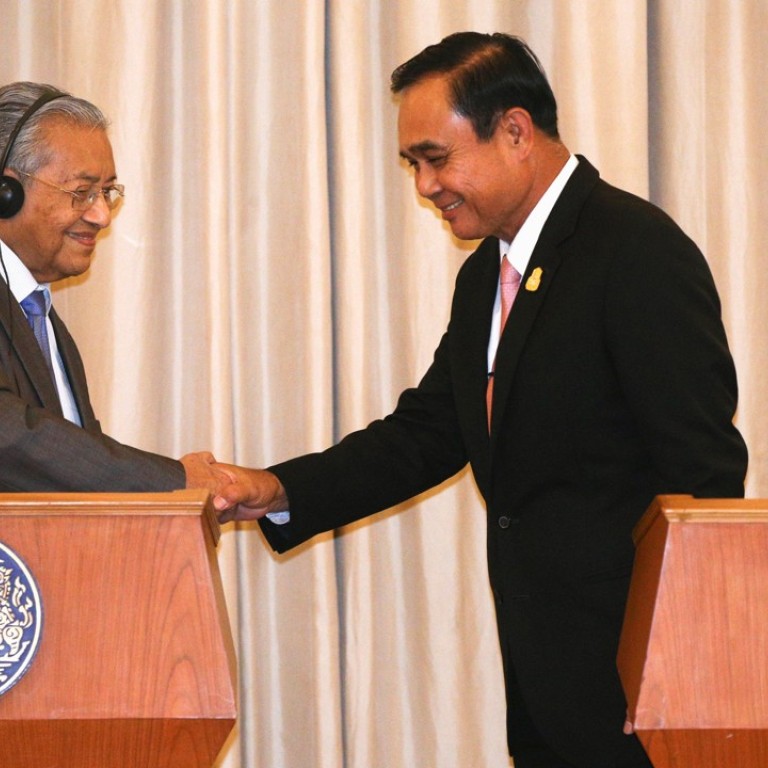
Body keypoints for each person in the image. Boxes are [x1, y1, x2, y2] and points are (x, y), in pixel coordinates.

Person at [210, 32, 748, 768]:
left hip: (639, 690)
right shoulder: (486, 273)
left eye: (436, 159)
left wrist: (681, 676)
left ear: (516, 132)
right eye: (413, 165)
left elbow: (704, 482)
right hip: (544, 682)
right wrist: (276, 489)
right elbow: (429, 433)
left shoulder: (635, 251)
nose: (425, 186)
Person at [0, 81, 222, 493]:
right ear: (6, 192)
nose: (101, 215)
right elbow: (10, 436)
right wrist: (175, 481)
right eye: (81, 192)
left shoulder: (41, 317)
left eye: (106, 192)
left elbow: (73, 463)